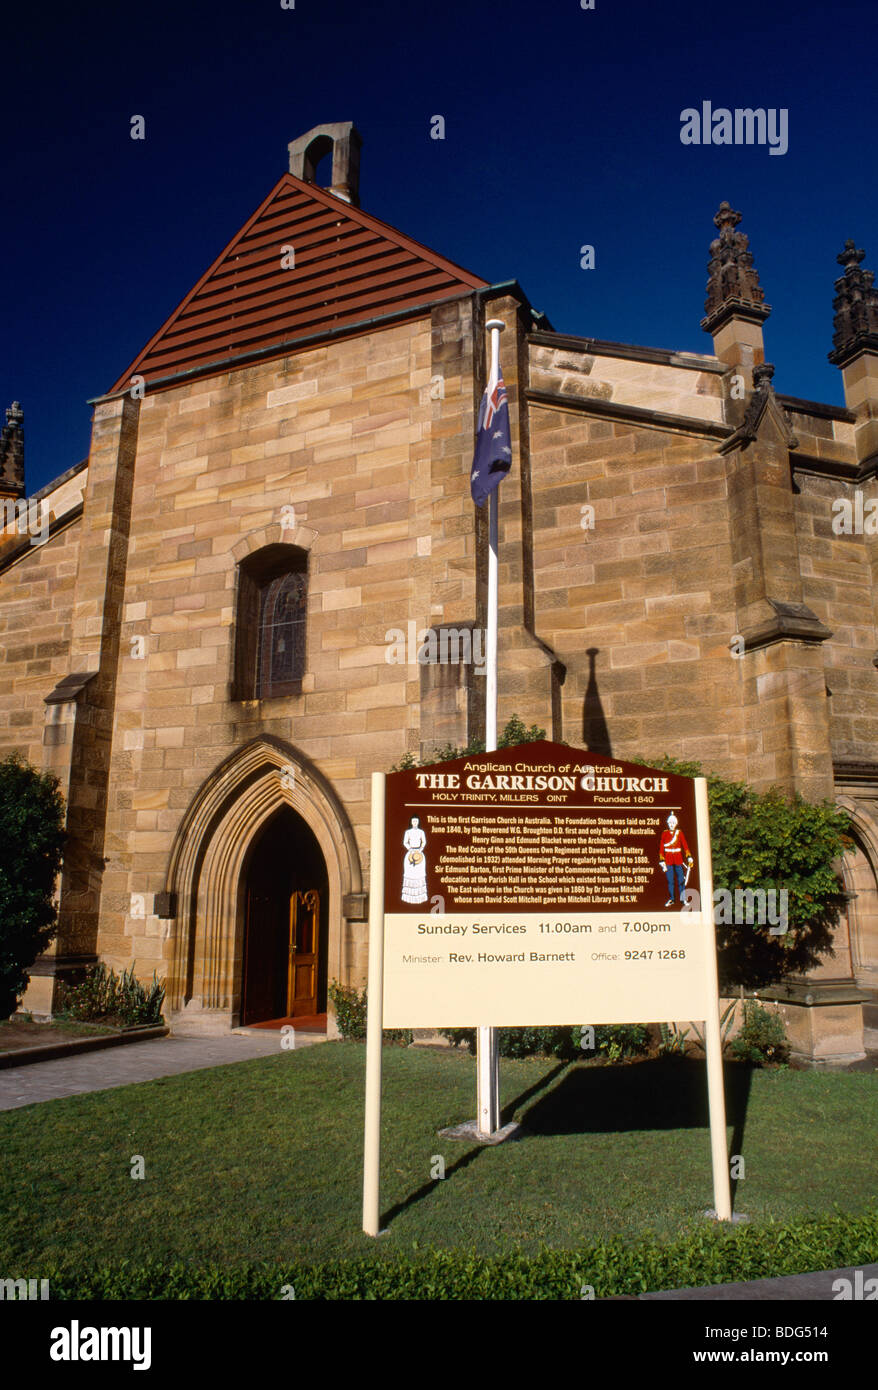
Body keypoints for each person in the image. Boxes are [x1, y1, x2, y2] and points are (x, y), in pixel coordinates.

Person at [659, 811, 693, 906]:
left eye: (673, 823)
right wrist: (662, 859)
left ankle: (683, 899)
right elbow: (662, 847)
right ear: (668, 823)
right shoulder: (664, 834)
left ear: (676, 823)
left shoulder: (679, 833)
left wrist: (689, 856)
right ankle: (672, 899)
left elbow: (685, 845)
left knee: (681, 880)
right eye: (670, 823)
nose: (671, 825)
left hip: (678, 859)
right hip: (668, 859)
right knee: (670, 881)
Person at [402, 816, 428, 904]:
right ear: (411, 822)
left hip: (419, 854)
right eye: (413, 821)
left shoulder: (421, 832)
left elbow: (424, 841)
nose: (415, 823)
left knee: (419, 874)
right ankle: (409, 897)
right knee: (410, 874)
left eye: (416, 821)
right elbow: (405, 842)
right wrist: (410, 849)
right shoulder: (408, 832)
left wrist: (420, 849)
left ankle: (419, 897)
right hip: (410, 853)